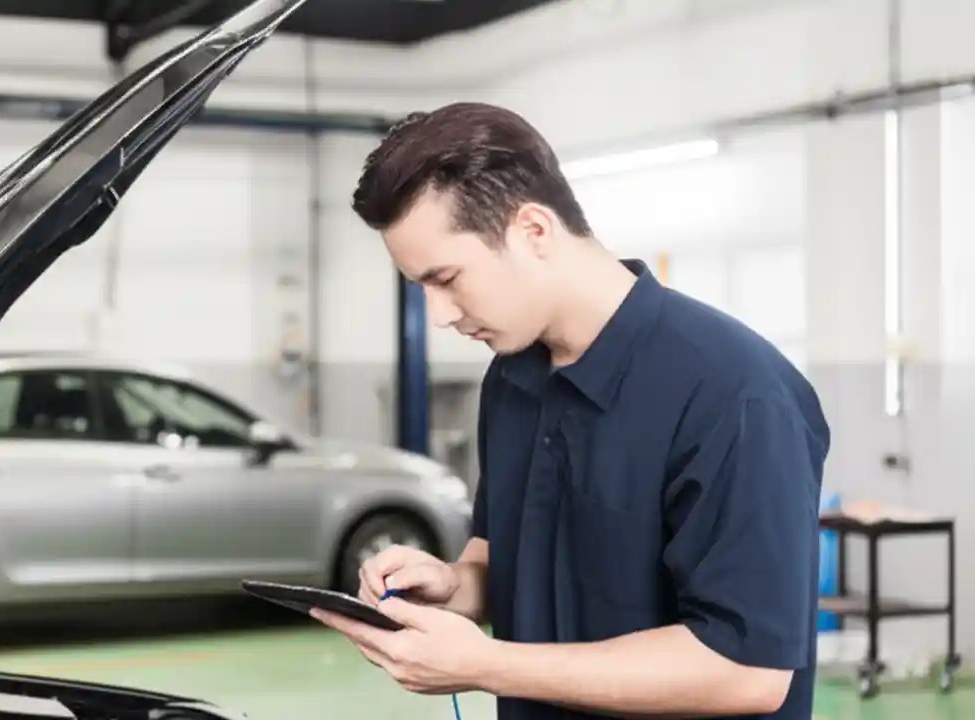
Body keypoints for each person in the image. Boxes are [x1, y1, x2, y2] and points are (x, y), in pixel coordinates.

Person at [309, 102, 830, 720]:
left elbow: (746, 672)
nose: (441, 314)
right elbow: (503, 553)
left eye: (447, 278)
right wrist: (456, 586)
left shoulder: (736, 396)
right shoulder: (514, 377)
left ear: (533, 231)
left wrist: (485, 664)